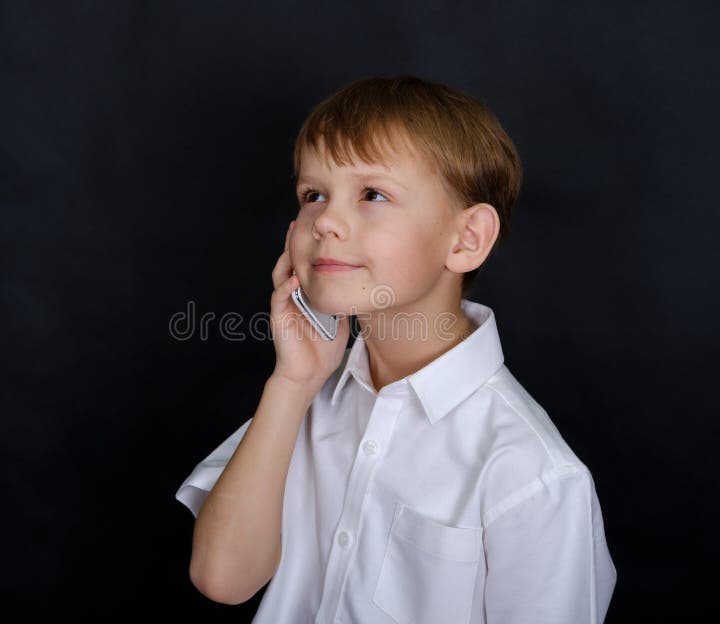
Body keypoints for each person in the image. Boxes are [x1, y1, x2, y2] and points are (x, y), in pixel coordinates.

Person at [175, 75, 617, 623]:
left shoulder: (533, 476)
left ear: (466, 240)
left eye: (373, 194)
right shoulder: (307, 401)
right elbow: (222, 579)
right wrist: (291, 384)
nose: (326, 222)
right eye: (313, 195)